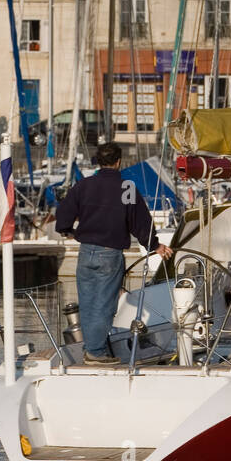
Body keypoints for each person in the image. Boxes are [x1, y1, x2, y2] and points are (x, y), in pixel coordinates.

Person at [56, 140, 172, 365]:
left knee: (88, 303)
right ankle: (96, 353)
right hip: (109, 254)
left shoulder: (84, 186)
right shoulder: (126, 187)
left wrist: (68, 231)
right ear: (119, 162)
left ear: (98, 162)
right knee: (105, 305)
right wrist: (154, 245)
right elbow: (139, 221)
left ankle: (92, 349)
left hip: (85, 252)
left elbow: (63, 214)